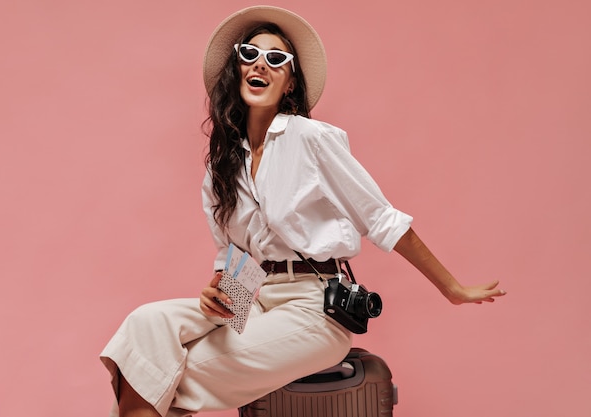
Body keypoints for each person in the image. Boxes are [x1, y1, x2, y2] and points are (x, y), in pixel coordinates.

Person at [100, 6, 506, 417]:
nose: (261, 64)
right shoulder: (224, 162)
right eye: (250, 54)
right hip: (257, 303)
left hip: (315, 311)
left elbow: (380, 218)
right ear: (236, 69)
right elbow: (237, 256)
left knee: (168, 377)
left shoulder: (310, 139)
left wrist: (453, 289)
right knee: (143, 330)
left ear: (290, 81)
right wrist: (223, 300)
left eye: (276, 58)